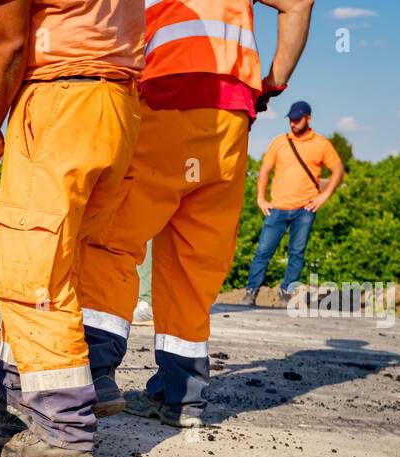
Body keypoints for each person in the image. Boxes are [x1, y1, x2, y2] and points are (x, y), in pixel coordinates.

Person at [78, 0, 314, 429]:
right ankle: (182, 396)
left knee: (112, 235)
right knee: (193, 259)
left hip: (166, 101)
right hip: (230, 117)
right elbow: (298, 3)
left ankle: (94, 372)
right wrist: (271, 83)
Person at [0, 0, 145, 457]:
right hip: (115, 106)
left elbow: (6, 41)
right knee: (58, 264)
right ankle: (23, 403)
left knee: (31, 270)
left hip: (60, 99)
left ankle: (60, 428)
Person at [239, 99, 344, 306]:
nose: (293, 123)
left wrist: (324, 196)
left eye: (297, 119)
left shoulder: (321, 144)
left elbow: (338, 170)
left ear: (308, 118)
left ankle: (287, 291)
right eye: (291, 119)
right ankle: (251, 292)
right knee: (263, 251)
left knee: (297, 252)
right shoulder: (279, 142)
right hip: (277, 207)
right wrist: (261, 198)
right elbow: (264, 171)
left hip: (304, 209)